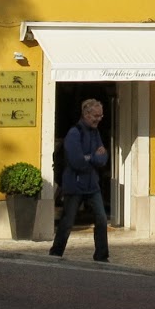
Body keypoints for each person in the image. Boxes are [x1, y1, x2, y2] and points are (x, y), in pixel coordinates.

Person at [48, 98, 108, 262]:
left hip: (92, 185)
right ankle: (56, 252)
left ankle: (102, 256)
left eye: (101, 116)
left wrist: (93, 158)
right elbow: (76, 161)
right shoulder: (74, 133)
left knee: (102, 219)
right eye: (96, 115)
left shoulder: (95, 133)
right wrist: (95, 158)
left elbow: (104, 157)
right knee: (67, 221)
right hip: (74, 185)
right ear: (86, 114)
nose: (99, 119)